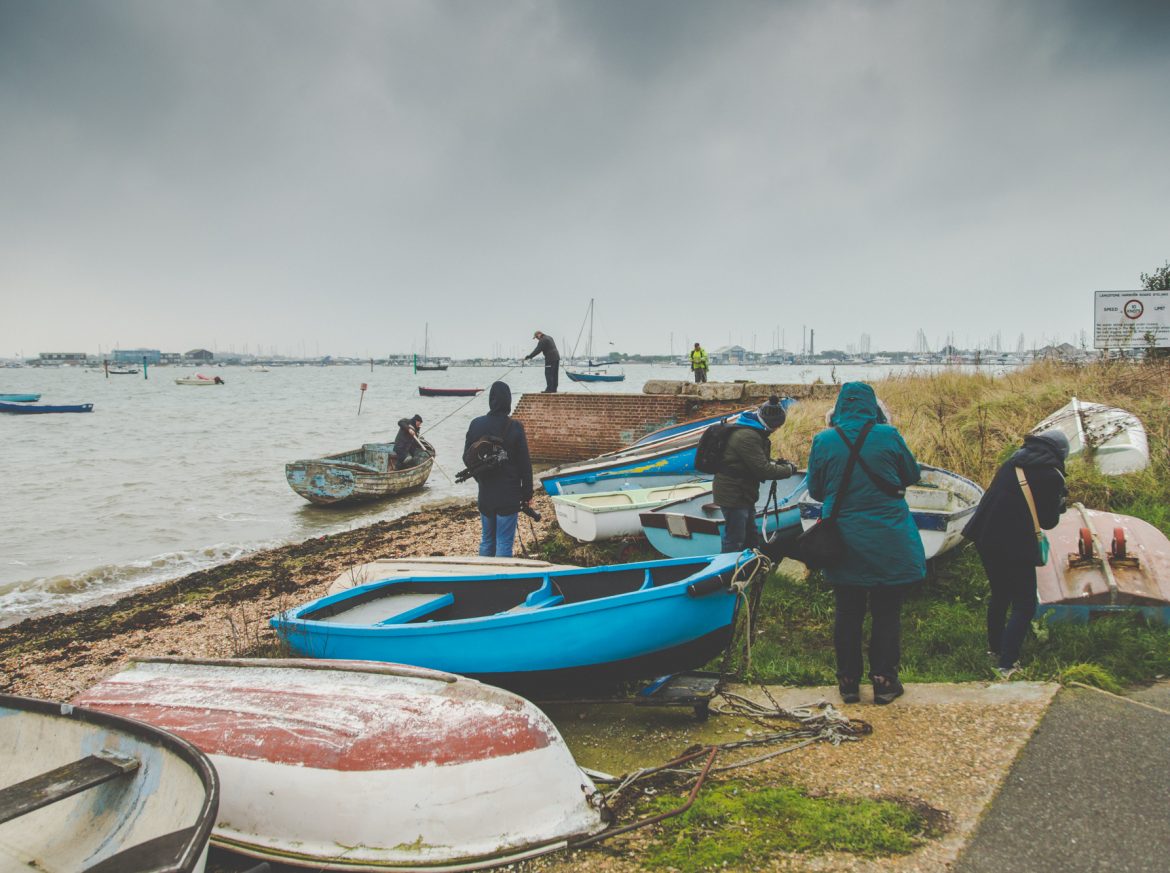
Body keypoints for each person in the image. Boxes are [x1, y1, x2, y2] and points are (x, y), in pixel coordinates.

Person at [805, 382, 925, 705]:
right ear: (872, 406)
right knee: (887, 611)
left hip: (841, 539)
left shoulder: (824, 440)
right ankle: (885, 681)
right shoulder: (888, 435)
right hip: (889, 537)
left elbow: (815, 490)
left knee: (847, 611)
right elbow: (911, 474)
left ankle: (848, 682)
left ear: (841, 406)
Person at [962, 430, 1068, 678]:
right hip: (1016, 544)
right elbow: (1048, 521)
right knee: (1025, 604)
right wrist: (1060, 502)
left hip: (985, 537)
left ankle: (995, 648)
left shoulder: (1013, 461)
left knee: (1000, 594)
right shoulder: (1052, 475)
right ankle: (1007, 663)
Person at [713, 396, 798, 553]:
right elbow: (762, 469)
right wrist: (788, 470)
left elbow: (755, 461)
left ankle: (751, 569)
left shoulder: (752, 430)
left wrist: (777, 464)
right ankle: (729, 573)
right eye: (777, 426)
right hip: (733, 494)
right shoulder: (747, 436)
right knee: (735, 540)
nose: (777, 430)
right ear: (771, 423)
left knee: (751, 538)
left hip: (743, 493)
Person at [464, 381, 533, 557]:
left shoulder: (476, 424)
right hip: (509, 495)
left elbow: (467, 458)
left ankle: (484, 578)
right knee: (504, 542)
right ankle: (502, 580)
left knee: (487, 540)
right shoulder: (515, 427)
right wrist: (527, 495)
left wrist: (480, 477)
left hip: (486, 493)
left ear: (491, 400)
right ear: (508, 401)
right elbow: (525, 464)